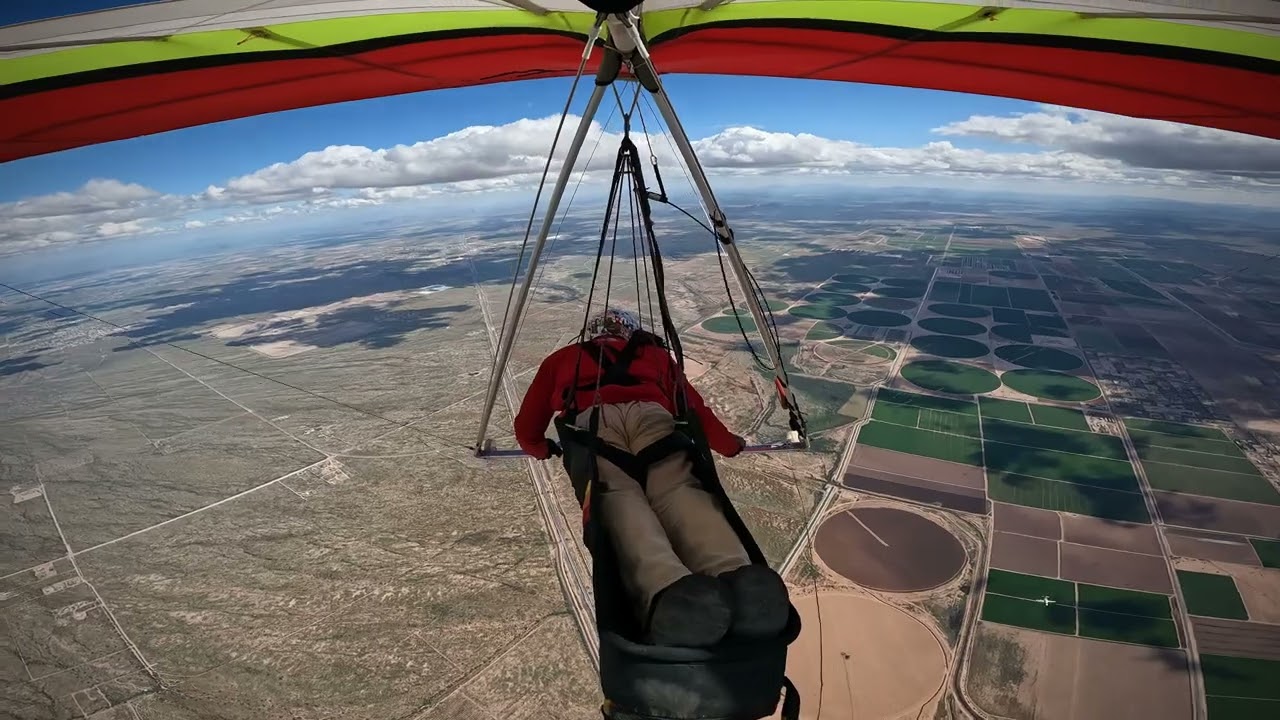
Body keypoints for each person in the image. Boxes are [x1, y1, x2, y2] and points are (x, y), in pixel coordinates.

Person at [514, 308, 789, 648]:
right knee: (679, 490)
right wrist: (730, 446)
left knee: (618, 496)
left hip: (594, 424)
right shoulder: (656, 356)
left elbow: (526, 429)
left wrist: (543, 450)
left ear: (591, 334)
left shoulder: (562, 359)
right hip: (654, 420)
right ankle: (737, 579)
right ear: (630, 333)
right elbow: (696, 411)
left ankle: (667, 591)